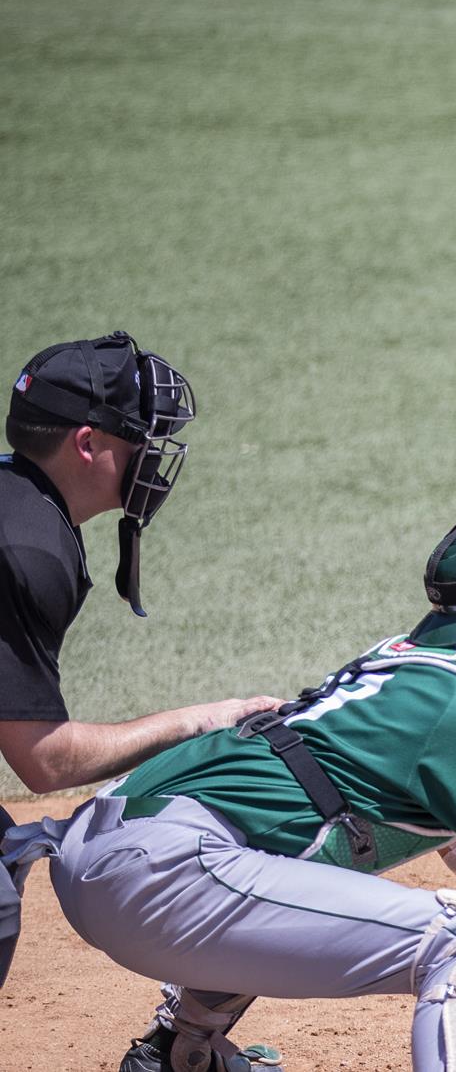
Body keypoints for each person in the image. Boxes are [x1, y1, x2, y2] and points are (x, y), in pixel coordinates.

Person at [22, 503, 456, 1072]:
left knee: (302, 862)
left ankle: (181, 1051)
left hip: (111, 853)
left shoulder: (403, 662)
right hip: (160, 874)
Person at [0, 332, 280, 991]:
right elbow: (45, 760)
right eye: (140, 439)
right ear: (89, 443)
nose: (153, 457)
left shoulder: (17, 500)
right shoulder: (28, 550)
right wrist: (204, 718)